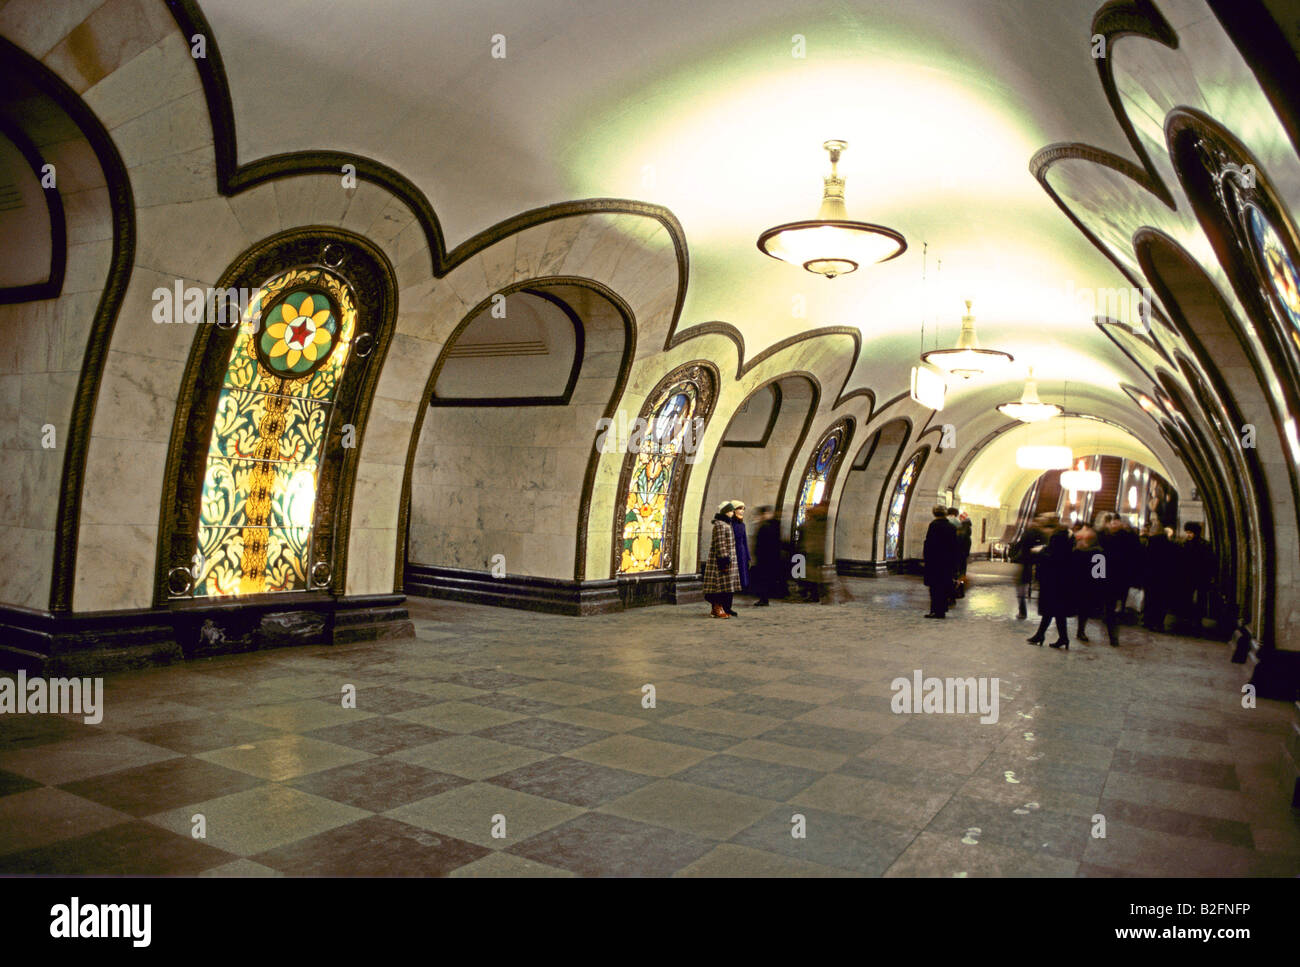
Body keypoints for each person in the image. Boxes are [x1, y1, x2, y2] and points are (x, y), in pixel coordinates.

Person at [1027, 515, 1073, 648]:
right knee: (1057, 611)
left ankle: (1042, 635)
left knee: (1053, 610)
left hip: (1054, 579)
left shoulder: (1058, 536)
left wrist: (1040, 552)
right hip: (1059, 579)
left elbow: (1055, 557)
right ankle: (1059, 638)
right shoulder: (1063, 535)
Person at [702, 501, 741, 619]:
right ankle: (717, 608)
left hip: (728, 560)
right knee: (718, 586)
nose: (732, 513)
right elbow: (720, 543)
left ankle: (723, 608)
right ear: (725, 512)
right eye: (730, 511)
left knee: (725, 587)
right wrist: (724, 559)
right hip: (721, 562)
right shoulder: (720, 525)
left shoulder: (725, 524)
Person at [1177, 522, 1216, 633]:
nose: (1188, 535)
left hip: (1200, 576)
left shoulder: (1203, 546)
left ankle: (1197, 621)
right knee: (1188, 598)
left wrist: (1210, 575)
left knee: (1200, 600)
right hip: (1189, 576)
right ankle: (1189, 620)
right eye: (1187, 532)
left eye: (1190, 533)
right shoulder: (1186, 544)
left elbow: (1210, 562)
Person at [923, 505, 959, 619]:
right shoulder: (952, 527)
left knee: (934, 587)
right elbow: (955, 546)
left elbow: (929, 544)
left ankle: (935, 610)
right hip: (947, 562)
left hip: (935, 561)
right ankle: (942, 609)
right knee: (944, 586)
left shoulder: (934, 526)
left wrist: (926, 558)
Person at [1143, 516, 1176, 631]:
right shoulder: (1170, 544)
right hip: (1164, 578)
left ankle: (1149, 621)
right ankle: (1158, 622)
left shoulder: (1151, 543)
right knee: (1161, 601)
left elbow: (1146, 560)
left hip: (1151, 576)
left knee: (1150, 598)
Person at [750, 506, 786, 606]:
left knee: (763, 579)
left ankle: (764, 598)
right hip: (769, 557)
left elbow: (763, 543)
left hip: (765, 558)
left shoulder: (766, 526)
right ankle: (765, 597)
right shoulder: (773, 525)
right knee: (765, 579)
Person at [1011, 515, 1045, 620]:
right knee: (1025, 586)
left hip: (1025, 563)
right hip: (1036, 563)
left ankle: (1022, 611)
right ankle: (1026, 609)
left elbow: (1020, 545)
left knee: (1021, 588)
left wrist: (1014, 555)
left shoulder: (1028, 533)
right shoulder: (1042, 534)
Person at [727, 499, 750, 615]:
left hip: (741, 554)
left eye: (743, 509)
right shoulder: (729, 524)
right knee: (730, 579)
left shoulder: (742, 525)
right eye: (739, 508)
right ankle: (726, 606)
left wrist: (748, 557)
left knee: (736, 580)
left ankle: (728, 606)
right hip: (732, 553)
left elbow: (744, 541)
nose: (742, 511)